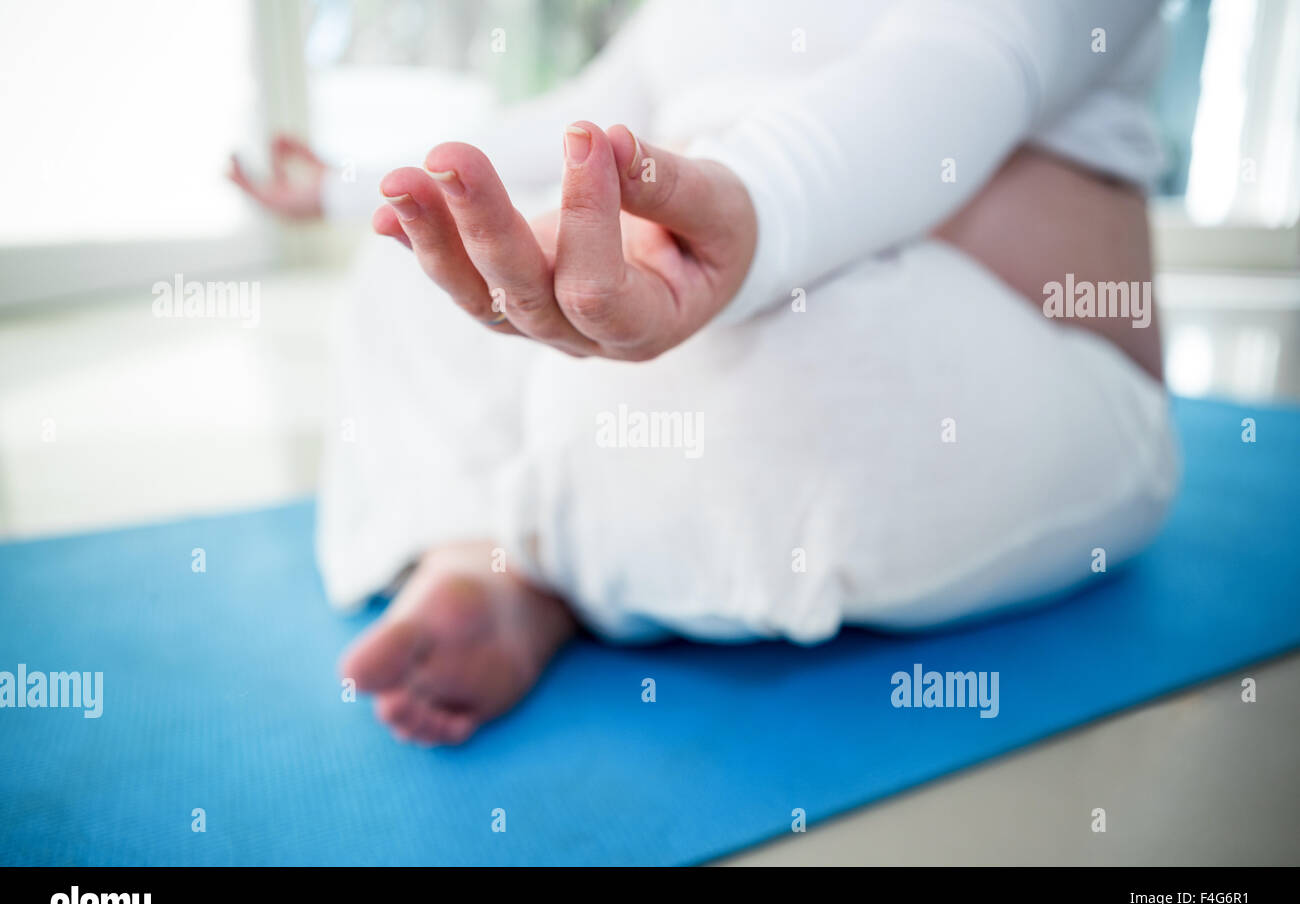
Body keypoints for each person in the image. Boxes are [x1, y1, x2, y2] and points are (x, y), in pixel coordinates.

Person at [233, 0, 1178, 746]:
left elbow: (970, 57)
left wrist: (747, 219)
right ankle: (493, 550)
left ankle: (533, 540)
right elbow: (589, 118)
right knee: (404, 271)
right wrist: (349, 187)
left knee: (790, 378)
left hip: (1029, 347)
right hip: (714, 263)